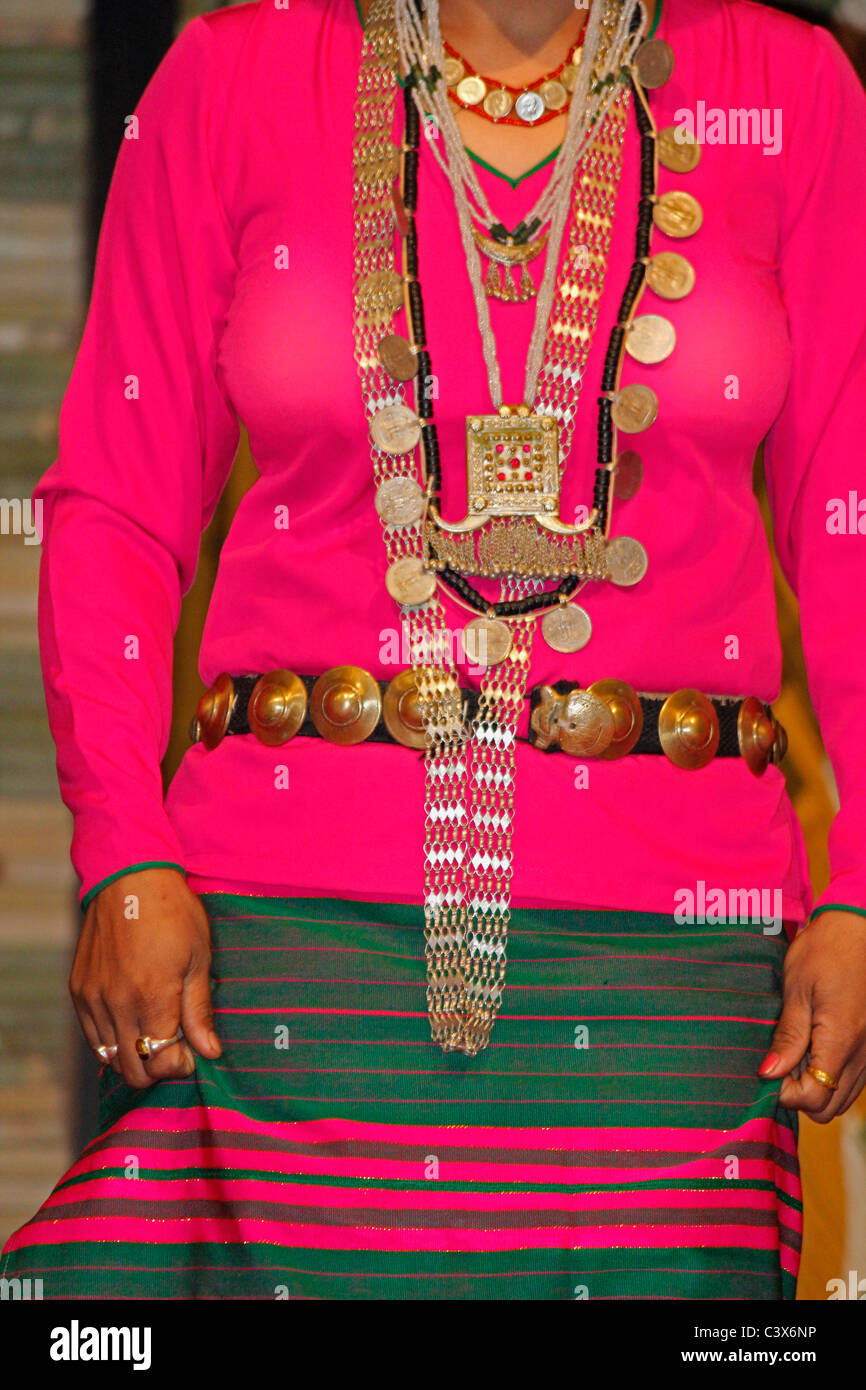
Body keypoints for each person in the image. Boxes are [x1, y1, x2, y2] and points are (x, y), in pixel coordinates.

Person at [2, 0, 866, 1301]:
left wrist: (861, 890)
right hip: (279, 959)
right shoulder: (233, 78)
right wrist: (123, 853)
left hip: (673, 979)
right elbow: (116, 508)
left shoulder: (790, 93)